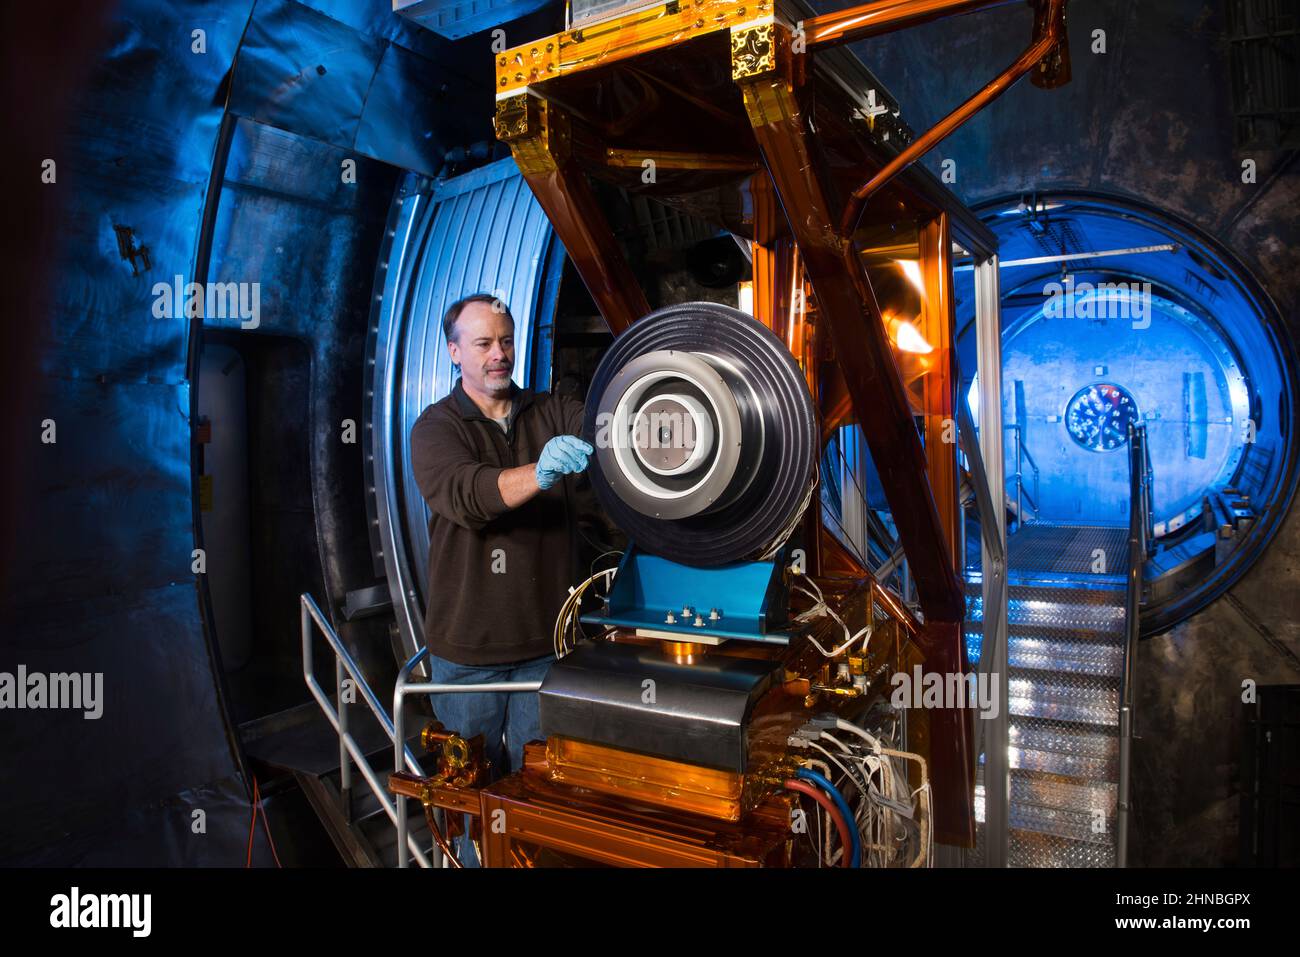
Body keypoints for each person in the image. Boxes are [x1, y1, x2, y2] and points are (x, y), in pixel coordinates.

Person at [408, 292, 598, 866]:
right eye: (484, 343)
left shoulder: (554, 412)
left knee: (538, 800)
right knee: (474, 809)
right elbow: (469, 495)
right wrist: (539, 473)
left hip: (546, 648)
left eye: (506, 341)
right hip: (470, 657)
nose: (499, 355)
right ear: (453, 352)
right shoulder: (435, 430)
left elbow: (610, 434)